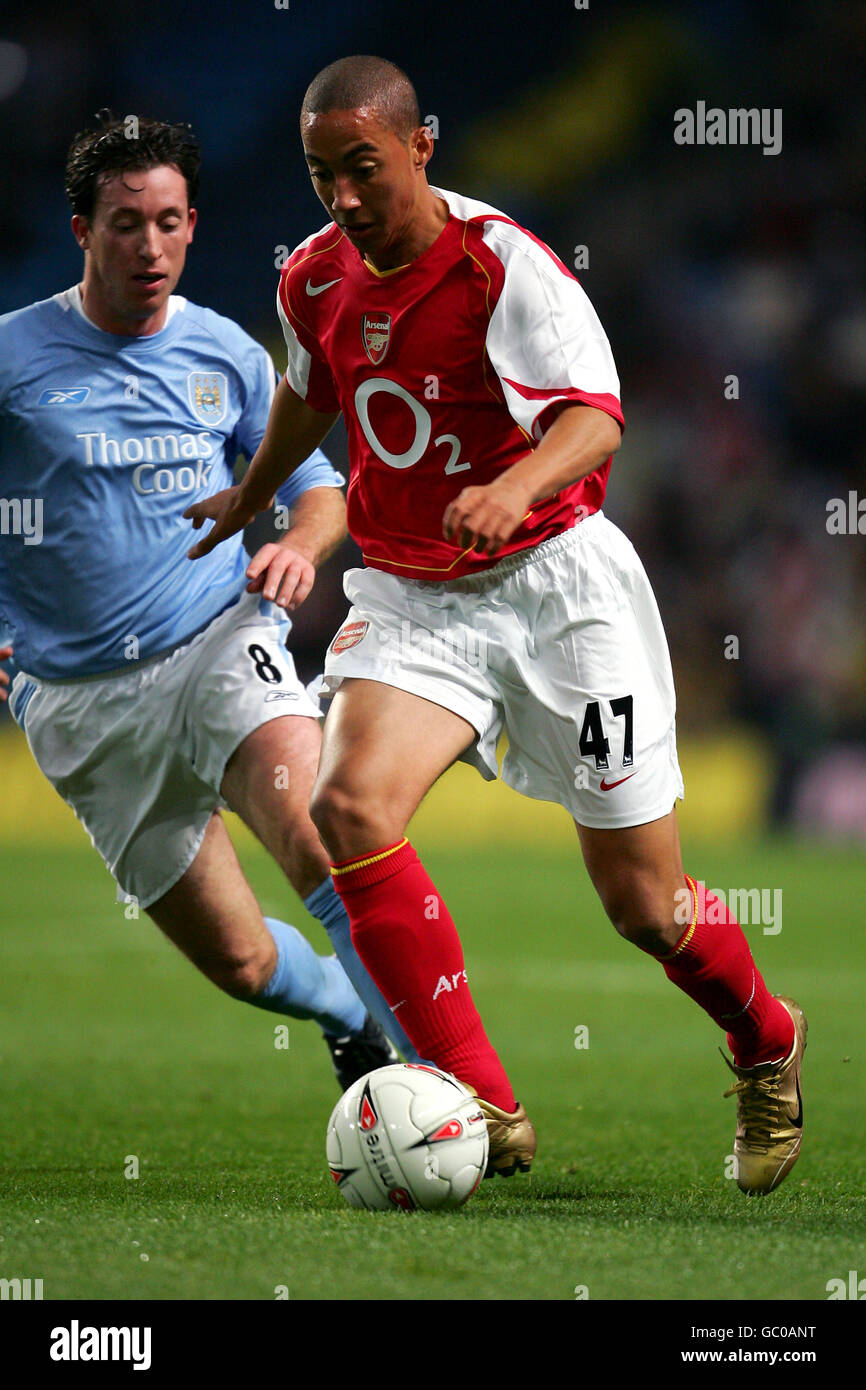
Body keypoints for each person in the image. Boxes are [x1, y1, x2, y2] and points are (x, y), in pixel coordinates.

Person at [186, 56, 806, 1194]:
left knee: (643, 904)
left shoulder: (499, 267)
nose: (343, 199)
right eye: (322, 176)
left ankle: (765, 1038)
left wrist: (515, 486)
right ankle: (481, 1097)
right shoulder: (314, 278)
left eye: (362, 169)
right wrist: (253, 488)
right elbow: (311, 384)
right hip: (415, 596)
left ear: (421, 148)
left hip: (557, 588)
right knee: (346, 804)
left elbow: (594, 419)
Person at [0, 113, 421, 1091]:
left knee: (321, 836)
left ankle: (448, 1085)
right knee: (241, 961)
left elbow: (319, 486)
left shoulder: (225, 353)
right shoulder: (16, 359)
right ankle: (345, 1011)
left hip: (219, 641)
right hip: (80, 702)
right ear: (80, 230)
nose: (150, 246)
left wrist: (301, 553)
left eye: (169, 222)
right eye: (124, 223)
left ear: (194, 225)